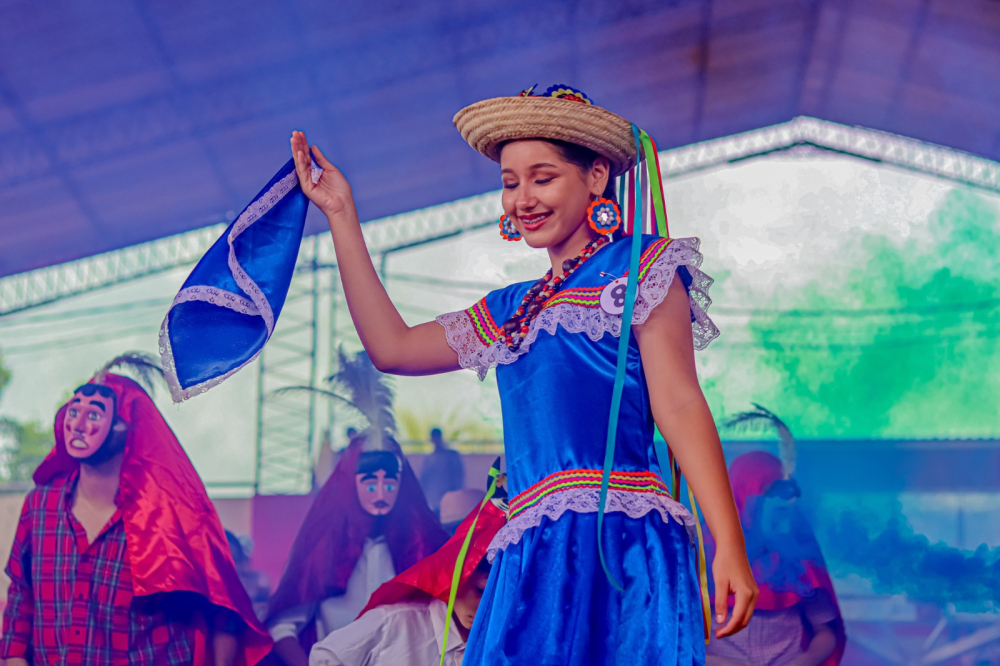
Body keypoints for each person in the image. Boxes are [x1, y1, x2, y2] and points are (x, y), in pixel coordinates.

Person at [287, 82, 757, 664]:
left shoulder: (641, 271)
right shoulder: (510, 311)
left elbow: (680, 406)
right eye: (510, 183)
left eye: (543, 177)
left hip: (620, 540)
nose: (522, 198)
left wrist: (727, 543)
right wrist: (341, 214)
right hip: (529, 551)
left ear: (596, 177)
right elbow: (395, 349)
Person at [0, 358, 271, 665]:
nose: (77, 424)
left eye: (93, 415)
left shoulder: (172, 517)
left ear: (126, 425)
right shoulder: (39, 507)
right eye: (73, 412)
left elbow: (222, 609)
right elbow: (22, 599)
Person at [264, 434, 447, 665]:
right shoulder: (323, 547)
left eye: (389, 485)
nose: (380, 495)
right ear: (351, 483)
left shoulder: (423, 546)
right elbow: (282, 625)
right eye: (370, 484)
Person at [309, 466, 507, 666]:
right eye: (480, 590)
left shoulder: (502, 642)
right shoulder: (396, 623)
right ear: (453, 573)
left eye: (496, 595)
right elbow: (325, 658)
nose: (484, 606)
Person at [706, 452, 846, 666]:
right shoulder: (703, 556)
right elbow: (676, 637)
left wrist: (805, 660)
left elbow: (825, 631)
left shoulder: (797, 555)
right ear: (737, 497)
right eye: (762, 499)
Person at [419, 427, 465, 514]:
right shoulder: (429, 458)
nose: (435, 440)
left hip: (448, 497)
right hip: (432, 499)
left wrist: (457, 493)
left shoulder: (452, 455)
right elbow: (423, 478)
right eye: (434, 437)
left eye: (437, 437)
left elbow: (458, 476)